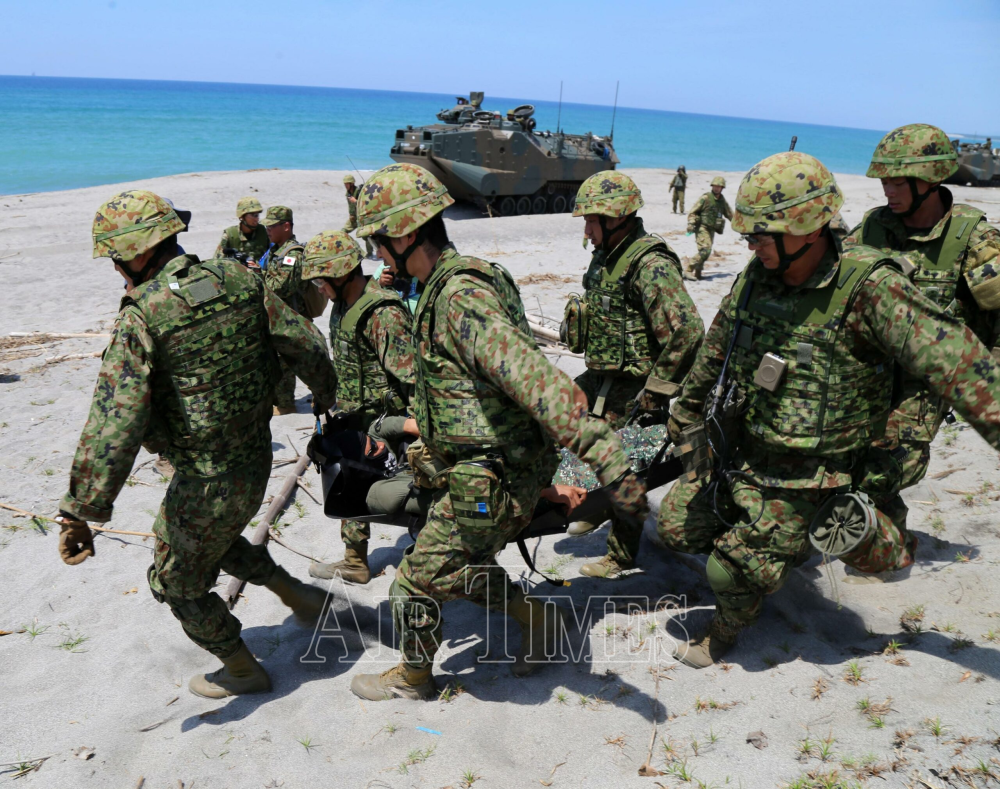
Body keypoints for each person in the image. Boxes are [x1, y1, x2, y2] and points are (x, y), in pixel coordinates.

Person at [657, 152, 1000, 669]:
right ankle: (787, 544)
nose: (751, 245)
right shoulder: (758, 276)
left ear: (809, 229)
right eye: (749, 234)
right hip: (751, 452)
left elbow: (960, 363)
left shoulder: (870, 286)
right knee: (678, 527)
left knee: (730, 571)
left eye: (763, 234)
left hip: (822, 469)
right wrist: (686, 413)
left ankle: (732, 621)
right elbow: (718, 348)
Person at [347, 162, 648, 700]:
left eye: (377, 239)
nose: (374, 251)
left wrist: (609, 460)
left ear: (405, 233)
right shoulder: (459, 280)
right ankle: (539, 622)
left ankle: (415, 679)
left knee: (414, 582)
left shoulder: (460, 298)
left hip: (494, 476)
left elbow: (535, 380)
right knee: (459, 562)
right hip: (482, 468)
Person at [55, 190, 339, 698]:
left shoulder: (142, 316)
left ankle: (241, 670)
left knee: (175, 581)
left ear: (139, 254)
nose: (118, 272)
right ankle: (292, 592)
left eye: (118, 260)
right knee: (209, 538)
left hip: (206, 479)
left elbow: (113, 424)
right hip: (256, 462)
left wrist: (81, 510)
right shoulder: (240, 278)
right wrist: (326, 395)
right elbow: (308, 343)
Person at [845, 123, 1000, 503]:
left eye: (899, 181)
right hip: (868, 372)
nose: (888, 190)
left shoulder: (972, 238)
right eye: (884, 180)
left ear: (929, 180)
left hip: (924, 382)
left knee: (884, 470)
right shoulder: (871, 228)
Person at [561, 171, 704, 578]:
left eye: (592, 221)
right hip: (600, 375)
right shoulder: (608, 253)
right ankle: (592, 501)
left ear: (617, 217)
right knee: (557, 423)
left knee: (627, 470)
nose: (587, 232)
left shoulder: (650, 265)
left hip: (636, 387)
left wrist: (656, 392)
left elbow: (688, 331)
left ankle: (620, 554)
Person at [297, 229, 416, 584]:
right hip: (356, 416)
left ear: (342, 273)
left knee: (405, 493)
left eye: (321, 279)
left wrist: (416, 429)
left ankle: (425, 563)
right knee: (350, 487)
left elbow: (412, 377)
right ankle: (354, 561)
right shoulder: (343, 305)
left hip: (390, 421)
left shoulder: (382, 312)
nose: (318, 287)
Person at [261, 205, 312, 415]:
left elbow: (280, 287)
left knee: (287, 361)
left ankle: (286, 404)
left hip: (292, 318)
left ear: (286, 226)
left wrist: (259, 278)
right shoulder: (275, 251)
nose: (268, 230)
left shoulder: (293, 254)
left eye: (272, 226)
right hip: (278, 316)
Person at [684, 176, 733, 280]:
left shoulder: (722, 200)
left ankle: (698, 273)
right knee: (705, 249)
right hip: (702, 227)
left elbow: (729, 213)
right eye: (715, 186)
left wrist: (737, 223)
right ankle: (688, 269)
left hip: (712, 228)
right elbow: (693, 212)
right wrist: (691, 223)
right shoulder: (705, 198)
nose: (716, 188)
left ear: (722, 188)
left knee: (706, 251)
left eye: (719, 187)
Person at [213, 196, 270, 270]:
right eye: (253, 215)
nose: (257, 219)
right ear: (242, 216)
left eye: (257, 215)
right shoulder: (230, 235)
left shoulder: (263, 232)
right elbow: (216, 262)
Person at [343, 174, 375, 260]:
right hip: (353, 218)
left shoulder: (359, 192)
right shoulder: (348, 193)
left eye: (347, 184)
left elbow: (365, 205)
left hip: (361, 219)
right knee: (343, 232)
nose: (345, 186)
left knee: (366, 236)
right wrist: (351, 214)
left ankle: (370, 253)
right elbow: (350, 206)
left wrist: (356, 201)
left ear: (351, 184)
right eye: (345, 184)